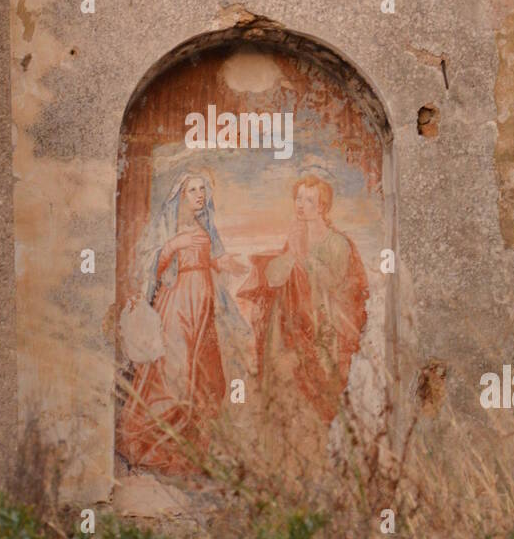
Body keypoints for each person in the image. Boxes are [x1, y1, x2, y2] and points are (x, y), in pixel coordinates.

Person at [116, 171, 246, 475]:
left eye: (203, 189)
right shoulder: (167, 226)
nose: (200, 195)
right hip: (177, 305)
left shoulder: (205, 225)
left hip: (203, 306)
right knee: (175, 375)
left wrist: (230, 263)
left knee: (205, 377)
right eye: (192, 190)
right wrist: (172, 246)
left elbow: (212, 259)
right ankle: (152, 444)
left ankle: (186, 450)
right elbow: (151, 266)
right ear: (181, 195)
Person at [239, 174, 369, 474]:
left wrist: (302, 259)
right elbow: (274, 278)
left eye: (308, 199)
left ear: (323, 206)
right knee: (286, 391)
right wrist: (285, 260)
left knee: (316, 395)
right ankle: (285, 464)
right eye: (298, 198)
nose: (301, 204)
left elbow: (337, 284)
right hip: (287, 329)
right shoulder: (294, 239)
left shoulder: (338, 243)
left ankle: (316, 463)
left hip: (322, 333)